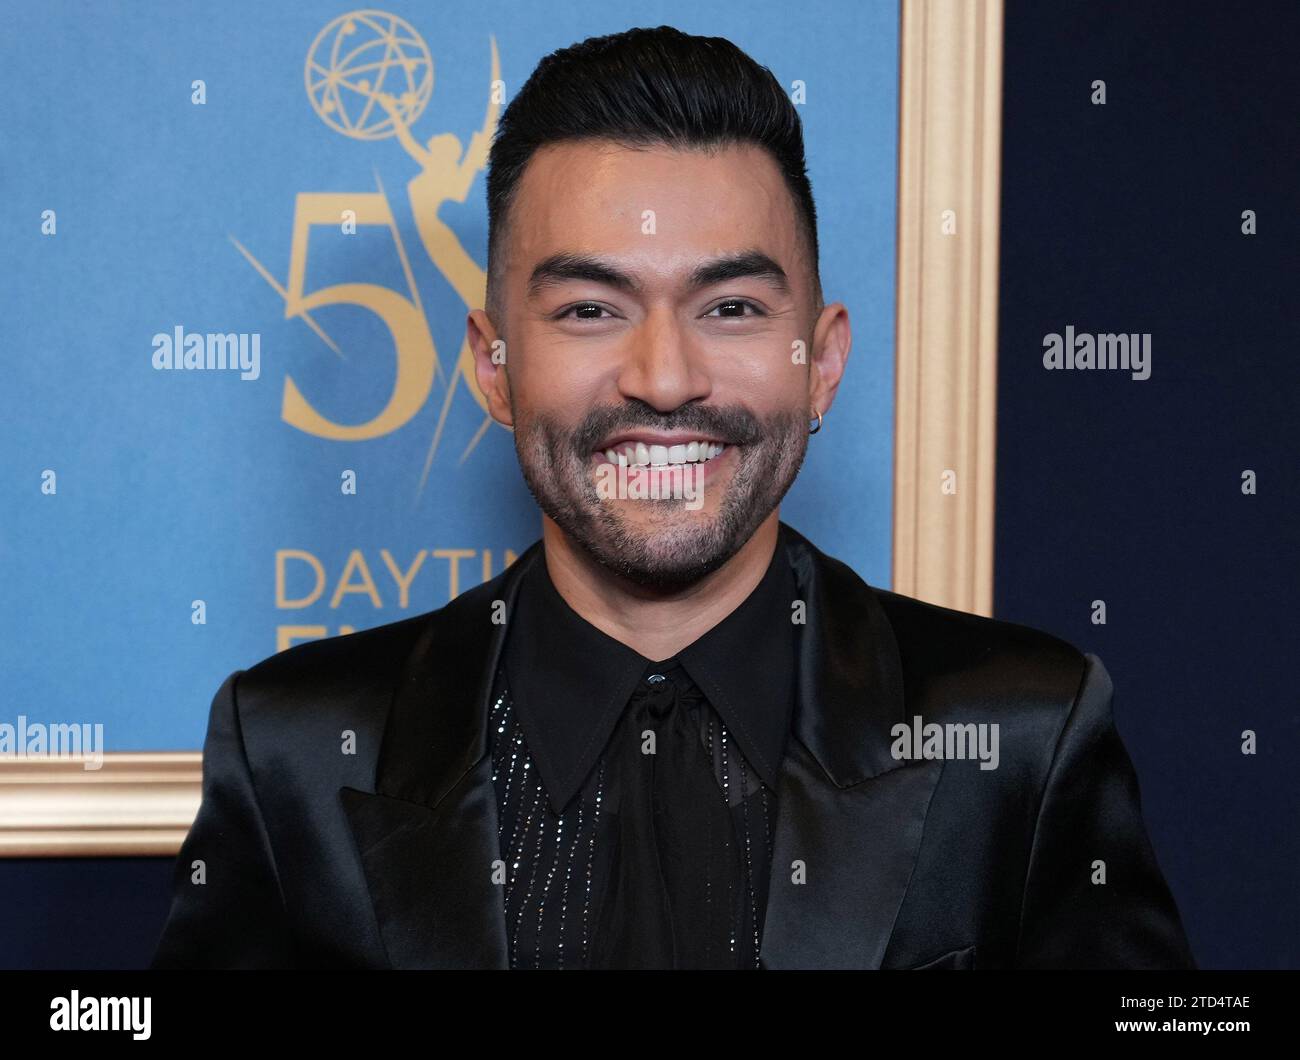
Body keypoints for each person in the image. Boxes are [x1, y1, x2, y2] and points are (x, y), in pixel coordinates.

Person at [151, 26, 1195, 970]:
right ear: (492, 365)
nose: (663, 377)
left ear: (820, 362)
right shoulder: (293, 746)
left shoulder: (1021, 731)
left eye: (731, 306)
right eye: (591, 308)